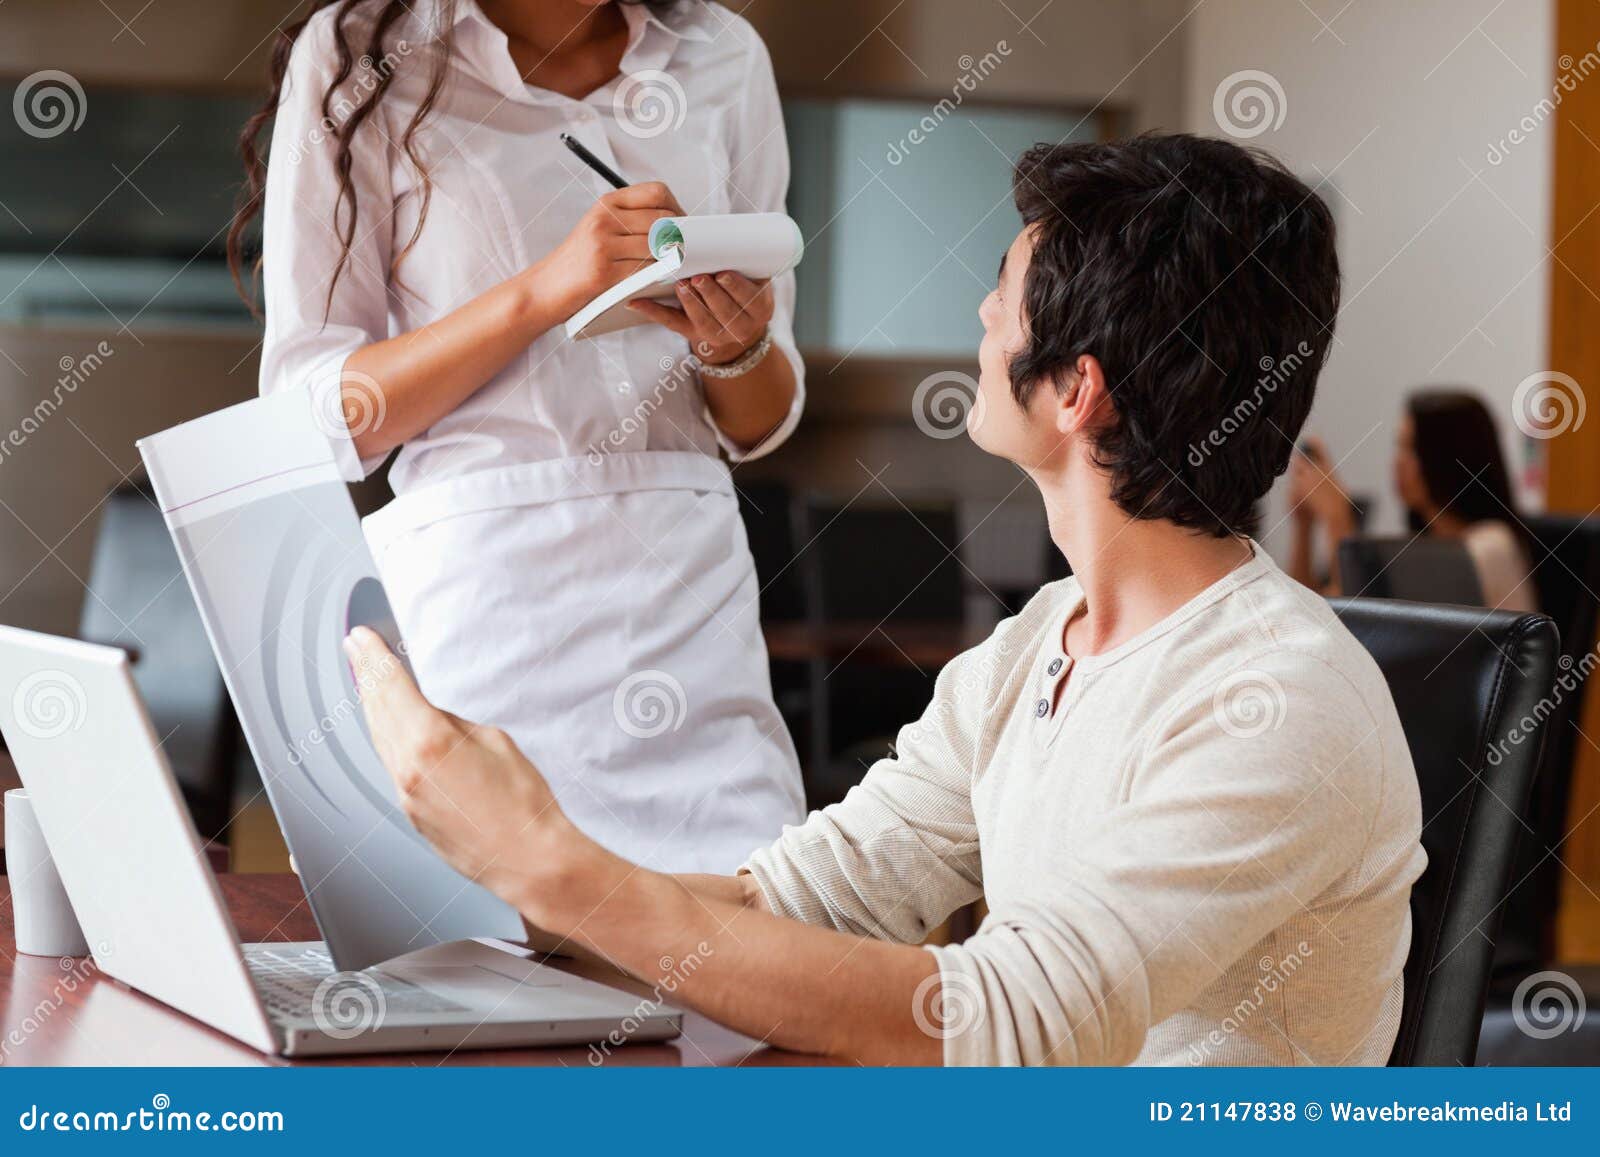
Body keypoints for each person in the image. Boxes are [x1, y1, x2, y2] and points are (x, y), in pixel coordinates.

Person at [344, 134, 1428, 1066]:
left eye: (1001, 289)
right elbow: (808, 895)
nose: (982, 308)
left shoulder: (1281, 699)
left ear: (1071, 387)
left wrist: (557, 867)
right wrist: (498, 905)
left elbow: (1009, 1019)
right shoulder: (1032, 651)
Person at [231, 0, 806, 873]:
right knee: (500, 974)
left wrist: (737, 342)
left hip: (692, 620)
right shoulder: (360, 55)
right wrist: (547, 291)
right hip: (484, 626)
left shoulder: (724, 54)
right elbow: (315, 420)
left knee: (747, 958)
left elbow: (760, 423)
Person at [1288, 390, 1537, 611]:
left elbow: (1358, 627)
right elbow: (1307, 616)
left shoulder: (1491, 544)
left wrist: (1338, 520)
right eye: (1399, 446)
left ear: (1452, 457)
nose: (1398, 462)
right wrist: (1304, 525)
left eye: (1412, 449)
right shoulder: (1423, 542)